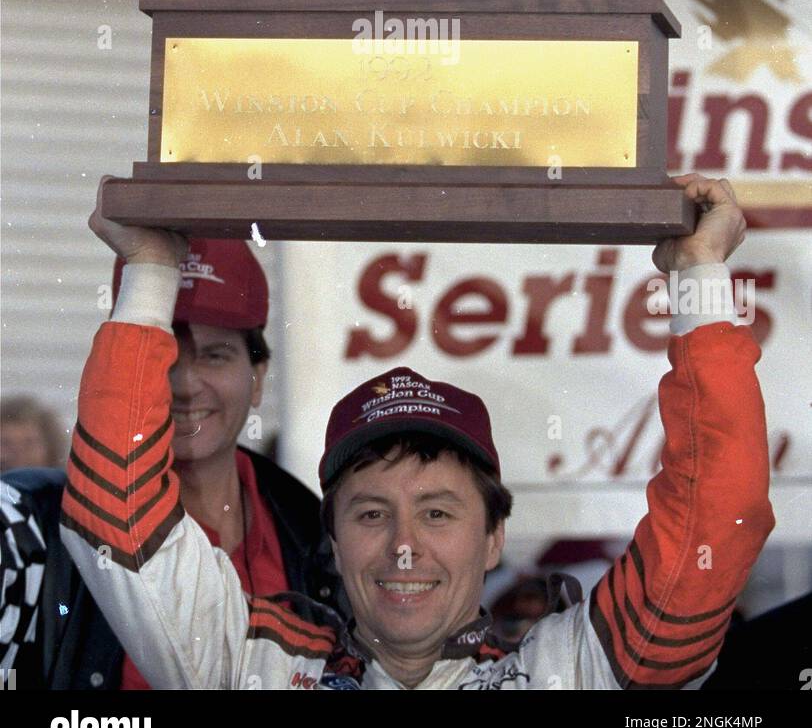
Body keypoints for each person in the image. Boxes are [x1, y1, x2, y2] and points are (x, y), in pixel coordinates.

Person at [59, 173, 775, 690]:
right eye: (372, 514)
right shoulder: (254, 665)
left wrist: (698, 277)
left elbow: (718, 516)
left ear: (494, 538)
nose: (405, 546)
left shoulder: (570, 670)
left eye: (437, 511)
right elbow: (116, 515)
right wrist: (151, 271)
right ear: (331, 543)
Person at [1, 238, 341, 689]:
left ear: (257, 379)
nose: (185, 386)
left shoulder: (321, 536)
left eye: (214, 355)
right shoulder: (28, 527)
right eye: (165, 353)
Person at [1, 395, 66, 472]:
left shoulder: (71, 482)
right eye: (6, 443)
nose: (18, 452)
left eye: (29, 443)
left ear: (50, 448)